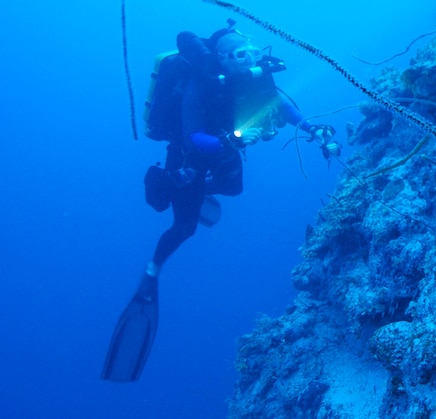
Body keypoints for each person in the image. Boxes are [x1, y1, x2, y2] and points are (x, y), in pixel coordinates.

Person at [102, 22, 338, 382]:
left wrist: (311, 128)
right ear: (224, 59)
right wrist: (229, 141)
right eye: (241, 57)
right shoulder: (201, 82)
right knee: (183, 228)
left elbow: (281, 104)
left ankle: (199, 195)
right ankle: (152, 270)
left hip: (230, 146)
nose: (251, 62)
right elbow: (193, 135)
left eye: (254, 54)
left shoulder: (256, 77)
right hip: (191, 157)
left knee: (234, 190)